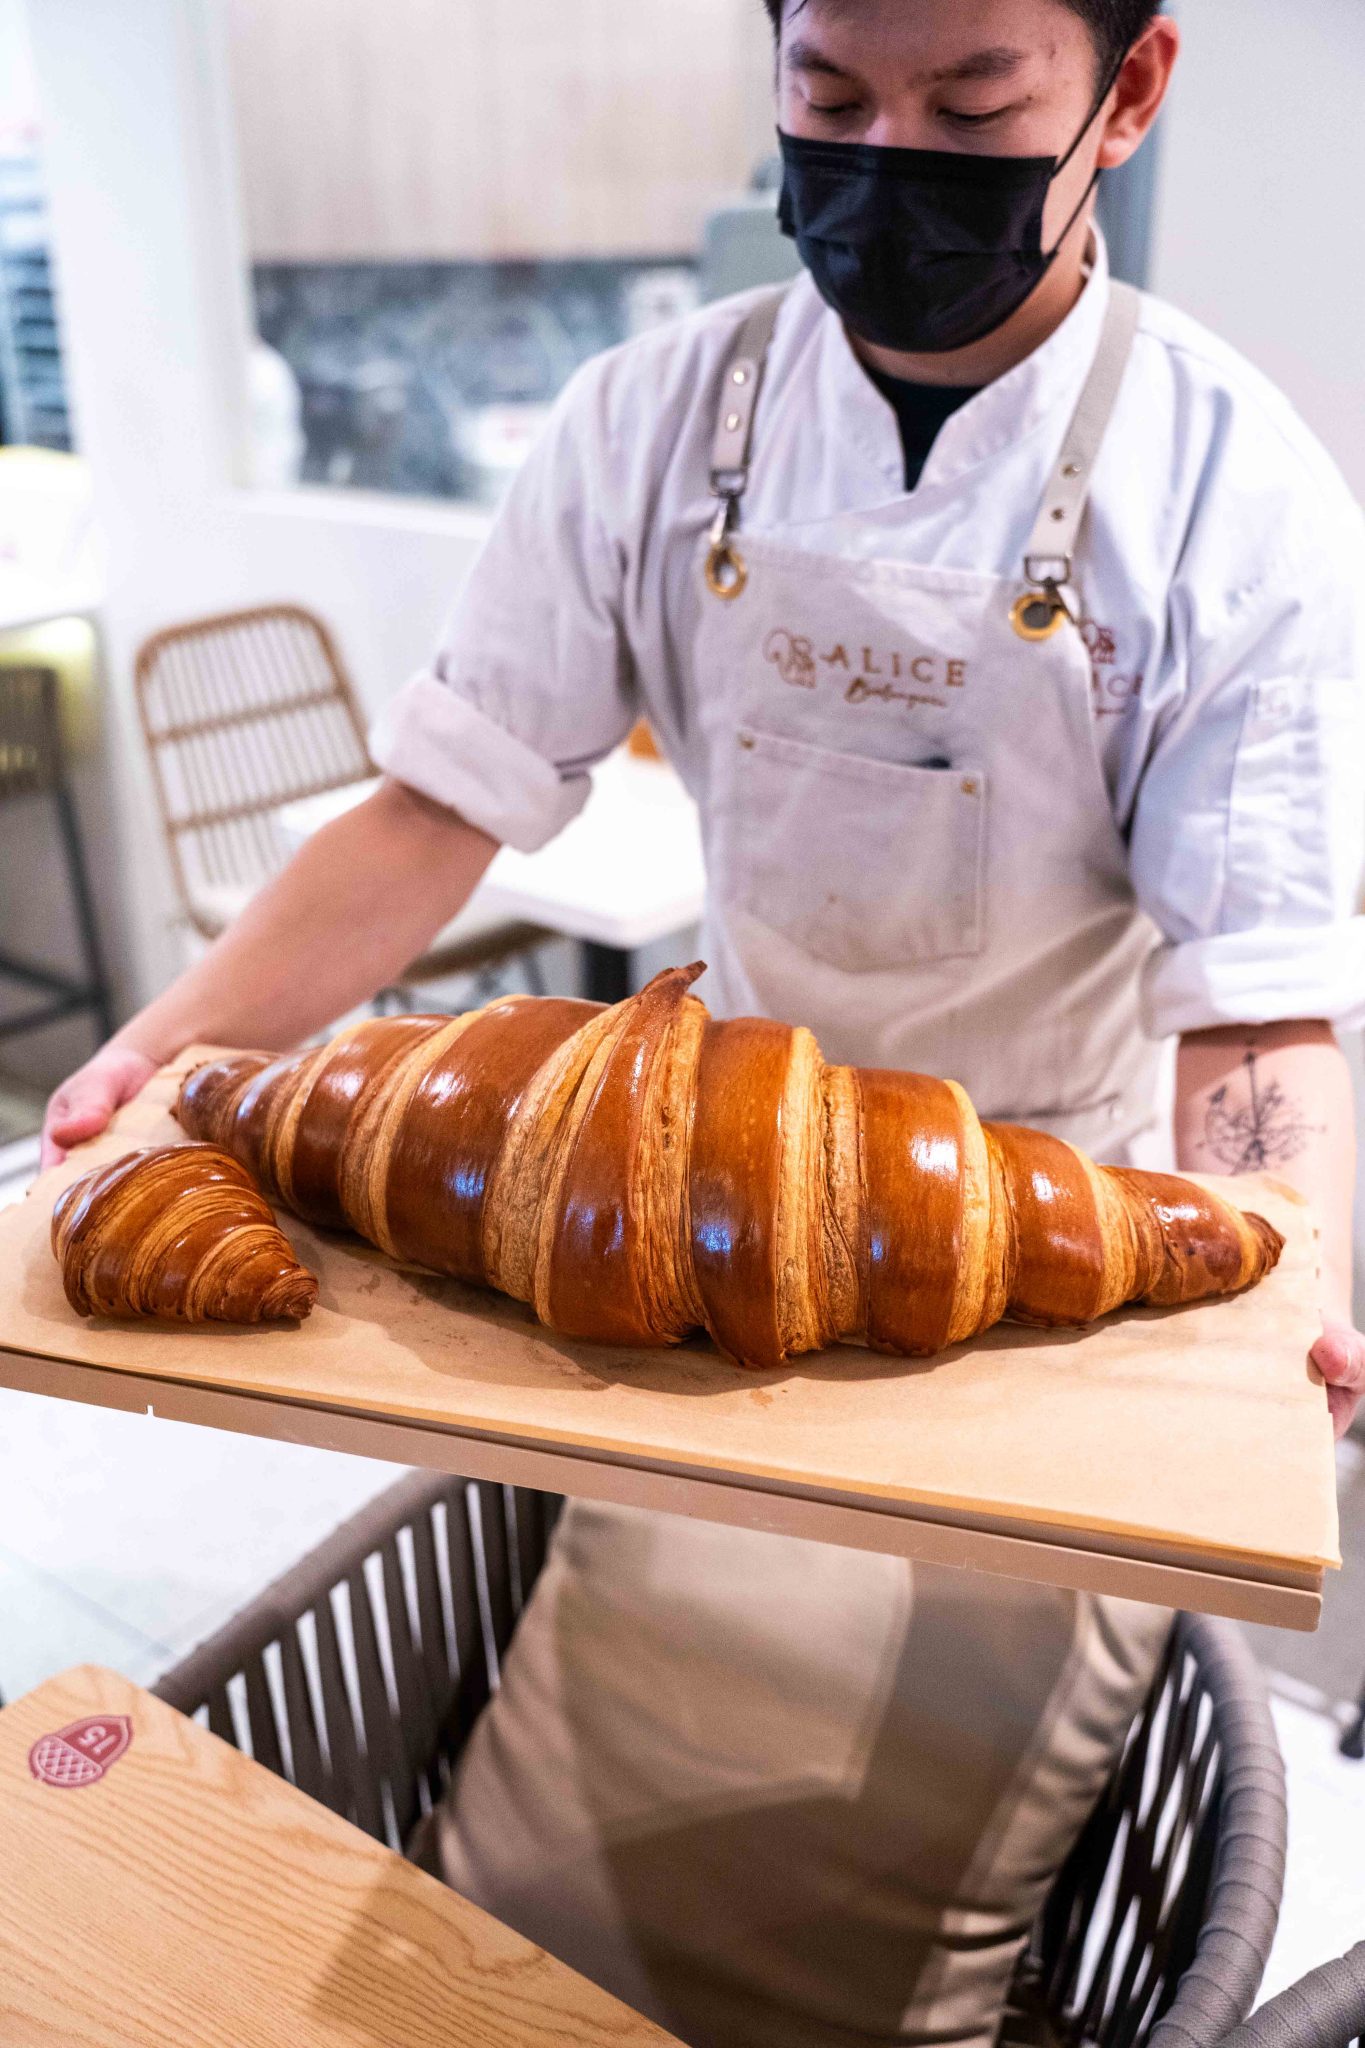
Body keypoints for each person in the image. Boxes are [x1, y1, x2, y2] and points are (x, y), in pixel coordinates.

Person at [43, 1, 1364, 2041]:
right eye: (827, 96)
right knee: (556, 1846)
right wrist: (151, 1066)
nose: (882, 154)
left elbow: (1254, 1000)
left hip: (1037, 1290)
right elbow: (437, 808)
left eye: (967, 103)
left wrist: (1277, 1298)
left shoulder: (1227, 489)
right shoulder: (654, 419)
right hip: (690, 1265)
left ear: (1126, 92)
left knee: (887, 1920)